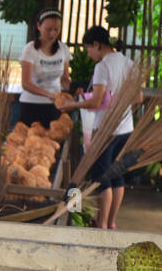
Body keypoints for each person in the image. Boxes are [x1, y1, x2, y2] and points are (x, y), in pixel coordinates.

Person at [54, 25, 135, 230]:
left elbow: (96, 102)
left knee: (102, 178)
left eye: (88, 48)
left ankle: (102, 223)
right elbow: (139, 97)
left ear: (97, 45)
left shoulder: (103, 67)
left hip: (106, 130)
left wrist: (72, 104)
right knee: (117, 176)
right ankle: (112, 222)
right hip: (126, 128)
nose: (88, 53)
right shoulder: (129, 63)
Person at [17, 8, 71, 129]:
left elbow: (64, 79)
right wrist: (49, 95)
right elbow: (26, 83)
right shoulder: (30, 50)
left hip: (55, 106)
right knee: (30, 144)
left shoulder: (63, 49)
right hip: (31, 105)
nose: (52, 33)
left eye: (56, 29)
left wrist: (73, 89)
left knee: (53, 142)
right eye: (48, 29)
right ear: (38, 26)